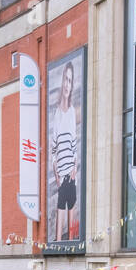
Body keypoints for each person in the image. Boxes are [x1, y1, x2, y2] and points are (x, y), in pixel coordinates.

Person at [52, 60, 78, 242]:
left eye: (70, 80)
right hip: (62, 175)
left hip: (72, 173)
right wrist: (57, 175)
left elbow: (74, 145)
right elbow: (54, 148)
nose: (67, 84)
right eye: (65, 80)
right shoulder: (57, 114)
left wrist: (74, 168)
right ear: (61, 82)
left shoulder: (72, 113)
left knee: (71, 232)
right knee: (58, 234)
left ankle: (70, 247)